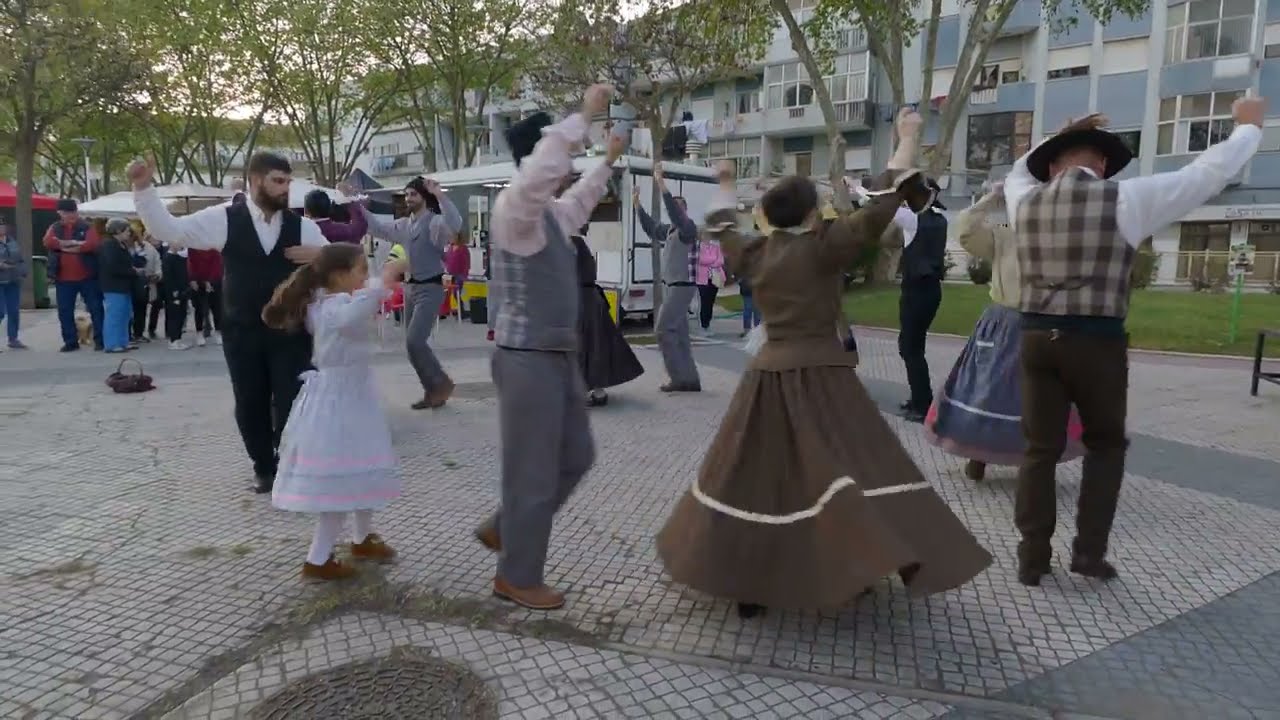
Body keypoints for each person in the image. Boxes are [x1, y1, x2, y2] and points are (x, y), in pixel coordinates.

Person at [656, 152, 992, 619]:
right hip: (824, 377)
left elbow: (720, 224)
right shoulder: (825, 246)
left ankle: (749, 583)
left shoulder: (754, 253)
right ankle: (851, 566)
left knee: (756, 476)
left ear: (768, 217)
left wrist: (727, 182)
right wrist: (905, 149)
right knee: (849, 471)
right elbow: (875, 213)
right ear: (813, 214)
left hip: (766, 376)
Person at [1006, 99, 1264, 587]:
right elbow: (1206, 174)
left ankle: (1032, 558)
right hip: (1096, 343)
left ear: (1052, 167)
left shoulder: (1022, 199)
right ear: (1102, 165)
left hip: (1036, 337)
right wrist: (1248, 129)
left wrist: (1056, 135)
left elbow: (1018, 168)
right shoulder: (1127, 199)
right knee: (1105, 445)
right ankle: (1088, 554)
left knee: (1039, 449)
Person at [474, 85, 623, 610]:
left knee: (578, 455)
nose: (568, 164)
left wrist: (606, 161)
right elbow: (543, 171)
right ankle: (516, 576)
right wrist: (583, 115)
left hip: (557, 356)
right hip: (524, 358)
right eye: (562, 154)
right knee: (532, 473)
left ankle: (506, 526)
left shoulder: (552, 217)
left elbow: (580, 201)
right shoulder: (515, 206)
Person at [129, 151, 329, 494]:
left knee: (293, 398)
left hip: (291, 332)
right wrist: (143, 188)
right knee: (249, 400)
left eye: (288, 182)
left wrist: (321, 256)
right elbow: (169, 230)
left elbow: (345, 263)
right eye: (277, 181)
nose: (285, 190)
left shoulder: (303, 227)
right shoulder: (224, 218)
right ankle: (263, 467)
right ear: (254, 181)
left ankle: (291, 462)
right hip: (242, 331)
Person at [263, 244, 406, 580]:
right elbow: (352, 313)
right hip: (337, 404)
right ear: (340, 276)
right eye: (361, 270)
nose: (365, 276)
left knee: (363, 467)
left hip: (353, 397)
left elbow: (360, 308)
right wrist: (382, 282)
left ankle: (361, 538)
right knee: (339, 480)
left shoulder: (332, 302)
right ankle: (318, 559)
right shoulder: (332, 307)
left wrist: (378, 286)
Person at [923, 185, 1084, 481]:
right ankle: (978, 457)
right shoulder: (1004, 236)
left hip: (1044, 324)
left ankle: (1031, 462)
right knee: (987, 390)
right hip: (1003, 324)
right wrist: (989, 199)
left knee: (1038, 396)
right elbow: (966, 231)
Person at [359, 177, 463, 410]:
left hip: (431, 287)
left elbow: (455, 225)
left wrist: (440, 194)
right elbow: (377, 228)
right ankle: (435, 387)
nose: (408, 199)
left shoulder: (435, 223)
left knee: (415, 340)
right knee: (411, 344)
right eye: (406, 195)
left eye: (413, 194)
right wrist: (355, 205)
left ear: (423, 197)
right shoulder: (404, 225)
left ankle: (439, 385)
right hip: (410, 288)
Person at [872, 109, 948, 423]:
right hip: (929, 291)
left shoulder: (914, 222)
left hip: (918, 291)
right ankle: (920, 398)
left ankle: (922, 403)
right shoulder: (941, 218)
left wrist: (855, 189)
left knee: (910, 347)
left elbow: (885, 196)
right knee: (912, 346)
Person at [633, 165, 701, 392]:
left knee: (663, 330)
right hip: (673, 288)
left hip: (682, 287)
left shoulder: (688, 228)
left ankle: (679, 378)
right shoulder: (670, 231)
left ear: (684, 212)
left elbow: (674, 212)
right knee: (679, 335)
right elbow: (651, 227)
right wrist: (637, 205)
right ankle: (690, 380)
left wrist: (661, 184)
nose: (676, 214)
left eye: (680, 210)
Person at [571, 228, 643, 407]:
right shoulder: (579, 243)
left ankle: (586, 391)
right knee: (597, 346)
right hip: (591, 299)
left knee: (584, 346)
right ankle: (598, 391)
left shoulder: (569, 244)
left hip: (580, 300)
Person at [44, 199, 104, 351]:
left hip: (87, 276)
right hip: (63, 278)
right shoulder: (55, 227)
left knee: (96, 309)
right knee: (64, 311)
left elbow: (92, 244)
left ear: (75, 212)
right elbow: (48, 242)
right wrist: (76, 244)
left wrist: (64, 244)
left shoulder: (87, 226)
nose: (67, 215)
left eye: (70, 212)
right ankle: (70, 342)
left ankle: (100, 339)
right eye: (63, 213)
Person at [98, 219, 140, 353]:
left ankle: (123, 341)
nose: (129, 233)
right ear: (117, 231)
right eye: (127, 230)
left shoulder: (121, 244)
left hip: (123, 285)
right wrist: (133, 271)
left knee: (125, 314)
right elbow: (112, 266)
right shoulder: (109, 245)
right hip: (113, 286)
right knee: (114, 315)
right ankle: (111, 344)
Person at [128, 227, 162, 344]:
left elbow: (156, 263)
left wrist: (157, 275)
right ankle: (127, 334)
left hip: (143, 283)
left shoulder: (147, 247)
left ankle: (138, 333)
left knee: (141, 309)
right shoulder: (121, 247)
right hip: (127, 284)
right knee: (128, 310)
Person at [0, 217, 29, 349]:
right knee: (0, 311)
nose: (2, 227)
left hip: (13, 280)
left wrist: (23, 271)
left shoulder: (12, 241)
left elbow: (20, 259)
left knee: (13, 311)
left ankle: (13, 338)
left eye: (3, 225)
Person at [304, 186, 368, 244]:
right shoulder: (343, 230)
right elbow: (359, 229)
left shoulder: (305, 232)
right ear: (329, 207)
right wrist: (353, 205)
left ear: (307, 211)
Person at [188, 247, 223, 347]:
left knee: (216, 307)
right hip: (198, 280)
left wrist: (210, 281)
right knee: (199, 308)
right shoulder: (193, 246)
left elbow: (216, 263)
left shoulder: (212, 246)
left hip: (213, 279)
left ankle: (218, 332)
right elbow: (190, 263)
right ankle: (199, 333)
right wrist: (192, 278)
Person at [160, 239, 191, 350]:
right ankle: (173, 340)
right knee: (175, 316)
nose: (181, 245)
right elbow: (169, 278)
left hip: (182, 291)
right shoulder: (168, 258)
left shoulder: (179, 258)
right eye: (178, 242)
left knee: (181, 315)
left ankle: (178, 339)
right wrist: (174, 292)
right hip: (174, 293)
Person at [694, 232, 724, 336]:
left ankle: (708, 324)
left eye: (709, 235)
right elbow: (701, 260)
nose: (707, 237)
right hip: (702, 279)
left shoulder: (715, 247)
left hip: (714, 278)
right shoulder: (698, 247)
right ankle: (703, 325)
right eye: (705, 235)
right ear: (701, 236)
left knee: (711, 302)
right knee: (704, 302)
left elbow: (720, 260)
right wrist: (713, 260)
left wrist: (713, 261)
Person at [440, 235, 471, 319]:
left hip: (460, 274)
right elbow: (447, 259)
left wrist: (465, 274)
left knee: (456, 293)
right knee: (446, 292)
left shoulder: (463, 249)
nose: (450, 239)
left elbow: (466, 262)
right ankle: (444, 311)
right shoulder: (450, 248)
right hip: (450, 274)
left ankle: (462, 312)